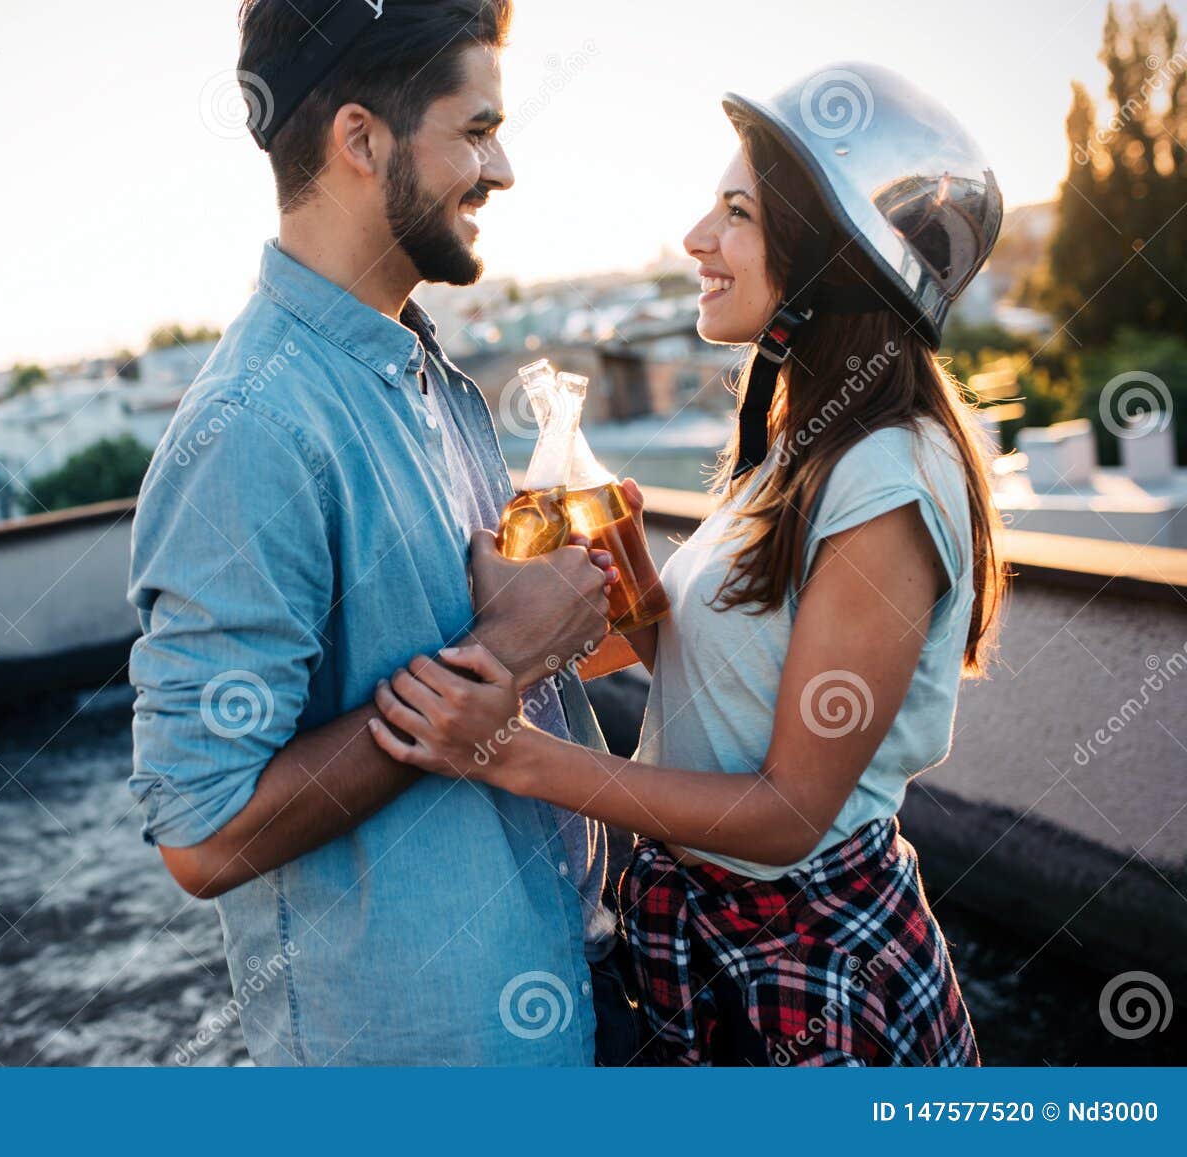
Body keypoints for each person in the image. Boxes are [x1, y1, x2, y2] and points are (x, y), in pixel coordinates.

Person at [369, 61, 1006, 1066]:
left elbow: (789, 812)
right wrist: (619, 566)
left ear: (833, 260)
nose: (696, 237)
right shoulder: (797, 453)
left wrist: (513, 753)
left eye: (737, 212)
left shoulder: (887, 475)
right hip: (723, 937)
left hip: (809, 956)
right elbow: (709, 676)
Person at [128, 0, 641, 1065]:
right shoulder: (251, 431)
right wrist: (499, 652)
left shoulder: (427, 377)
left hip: (562, 1004)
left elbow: (502, 672)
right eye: (476, 127)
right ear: (360, 140)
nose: (500, 168)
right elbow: (205, 829)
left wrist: (572, 620)